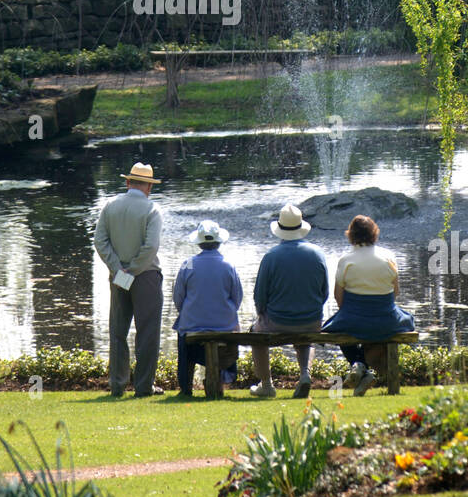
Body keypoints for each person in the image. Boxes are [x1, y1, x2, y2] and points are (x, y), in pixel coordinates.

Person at [322, 213, 415, 396]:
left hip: (354, 318)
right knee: (399, 325)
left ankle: (358, 364)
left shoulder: (346, 260)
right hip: (386, 318)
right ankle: (365, 368)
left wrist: (355, 313)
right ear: (374, 233)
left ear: (351, 235)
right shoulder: (389, 257)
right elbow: (395, 292)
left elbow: (338, 297)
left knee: (335, 329)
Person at [94, 162, 164, 398]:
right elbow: (151, 247)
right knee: (147, 332)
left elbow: (100, 242)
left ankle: (117, 384)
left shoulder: (109, 206)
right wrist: (133, 270)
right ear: (149, 187)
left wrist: (118, 269)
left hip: (118, 277)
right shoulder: (152, 210)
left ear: (127, 182)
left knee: (117, 330)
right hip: (145, 276)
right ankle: (143, 387)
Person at [250, 202, 329, 399]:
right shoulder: (318, 254)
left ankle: (266, 384)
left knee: (255, 333)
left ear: (279, 229)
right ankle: (304, 374)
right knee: (305, 338)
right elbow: (324, 292)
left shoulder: (271, 257)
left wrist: (262, 315)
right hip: (311, 321)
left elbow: (260, 296)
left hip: (278, 321)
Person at [173, 219, 243, 397]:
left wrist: (189, 313)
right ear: (218, 241)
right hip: (224, 325)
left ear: (199, 243)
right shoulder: (229, 265)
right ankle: (221, 379)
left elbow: (178, 298)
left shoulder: (187, 264)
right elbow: (237, 298)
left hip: (192, 324)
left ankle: (185, 385)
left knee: (182, 333)